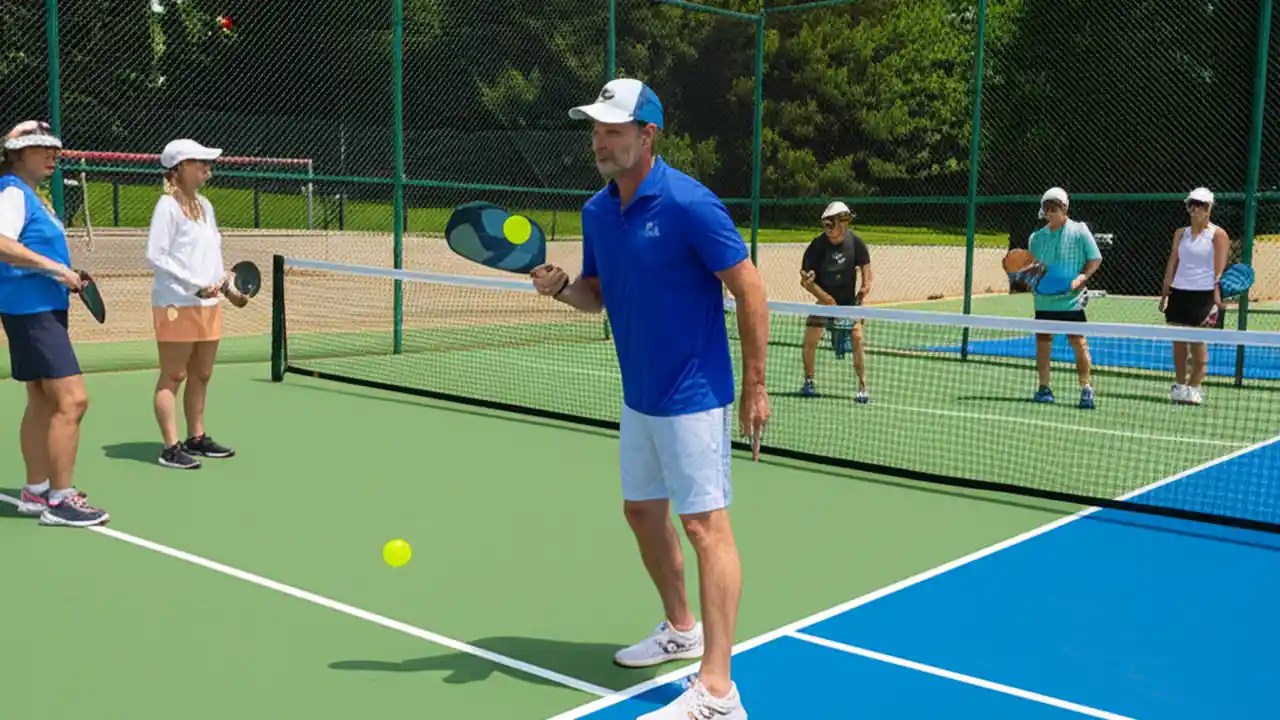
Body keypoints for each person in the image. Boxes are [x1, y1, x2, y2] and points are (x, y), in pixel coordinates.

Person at [530, 78, 769, 720]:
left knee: (704, 527)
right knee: (641, 514)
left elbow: (750, 289)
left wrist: (755, 384)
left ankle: (718, 690)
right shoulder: (596, 212)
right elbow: (598, 295)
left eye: (613, 130)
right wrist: (560, 288)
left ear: (648, 135)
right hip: (639, 396)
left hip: (695, 395)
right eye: (596, 130)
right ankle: (681, 629)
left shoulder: (691, 203)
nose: (600, 142)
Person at [0, 120, 109, 527]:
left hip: (36, 308)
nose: (52, 155)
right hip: (32, 312)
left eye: (54, 148)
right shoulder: (12, 191)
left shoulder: (29, 195)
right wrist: (54, 268)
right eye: (40, 148)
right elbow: (2, 244)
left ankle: (36, 491)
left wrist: (64, 274)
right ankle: (61, 500)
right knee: (73, 400)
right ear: (15, 154)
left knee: (42, 400)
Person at [145, 138, 246, 469]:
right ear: (179, 168)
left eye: (208, 163)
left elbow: (212, 255)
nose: (207, 169)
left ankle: (196, 437)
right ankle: (170, 447)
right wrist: (195, 285)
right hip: (176, 303)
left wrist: (226, 287)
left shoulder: (205, 206)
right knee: (174, 375)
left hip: (209, 305)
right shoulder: (167, 207)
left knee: (201, 374)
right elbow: (156, 256)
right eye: (199, 163)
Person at [1028, 187, 1102, 409]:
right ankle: (1044, 388)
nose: (1051, 212)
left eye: (1055, 208)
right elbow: (1033, 267)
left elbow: (1095, 259)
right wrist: (1029, 277)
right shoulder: (1036, 238)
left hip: (1072, 301)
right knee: (1043, 343)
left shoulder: (1080, 231)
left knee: (1079, 343)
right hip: (1043, 301)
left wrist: (1082, 277)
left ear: (1065, 208)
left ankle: (1086, 388)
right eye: (1047, 208)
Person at [1158, 187, 1229, 406]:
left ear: (1209, 209)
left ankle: (1195, 387)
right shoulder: (1181, 233)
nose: (1196, 209)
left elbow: (1220, 268)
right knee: (1179, 344)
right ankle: (1180, 386)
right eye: (1192, 205)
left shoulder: (1218, 234)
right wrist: (1165, 292)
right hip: (1179, 293)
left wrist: (1216, 297)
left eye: (1201, 205)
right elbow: (1173, 262)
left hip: (1203, 296)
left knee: (1198, 345)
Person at [799, 200, 872, 402]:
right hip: (824, 304)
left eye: (833, 223)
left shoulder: (856, 243)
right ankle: (808, 381)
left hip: (849, 303)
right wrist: (823, 296)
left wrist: (865, 287)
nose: (829, 228)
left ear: (843, 222)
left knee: (857, 338)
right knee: (810, 339)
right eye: (826, 224)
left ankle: (863, 386)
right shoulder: (816, 246)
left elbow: (867, 269)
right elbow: (805, 280)